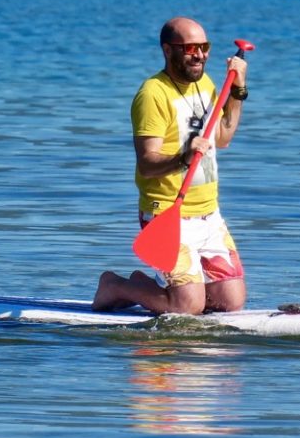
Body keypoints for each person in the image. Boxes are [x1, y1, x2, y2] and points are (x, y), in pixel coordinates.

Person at [93, 17, 250, 315]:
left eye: (204, 47)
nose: (200, 55)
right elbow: (147, 164)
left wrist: (238, 90)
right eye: (191, 48)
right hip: (166, 212)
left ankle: (153, 287)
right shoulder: (152, 94)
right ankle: (116, 285)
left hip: (209, 213)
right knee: (187, 306)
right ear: (168, 50)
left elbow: (224, 136)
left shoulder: (205, 84)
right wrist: (183, 158)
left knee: (231, 302)